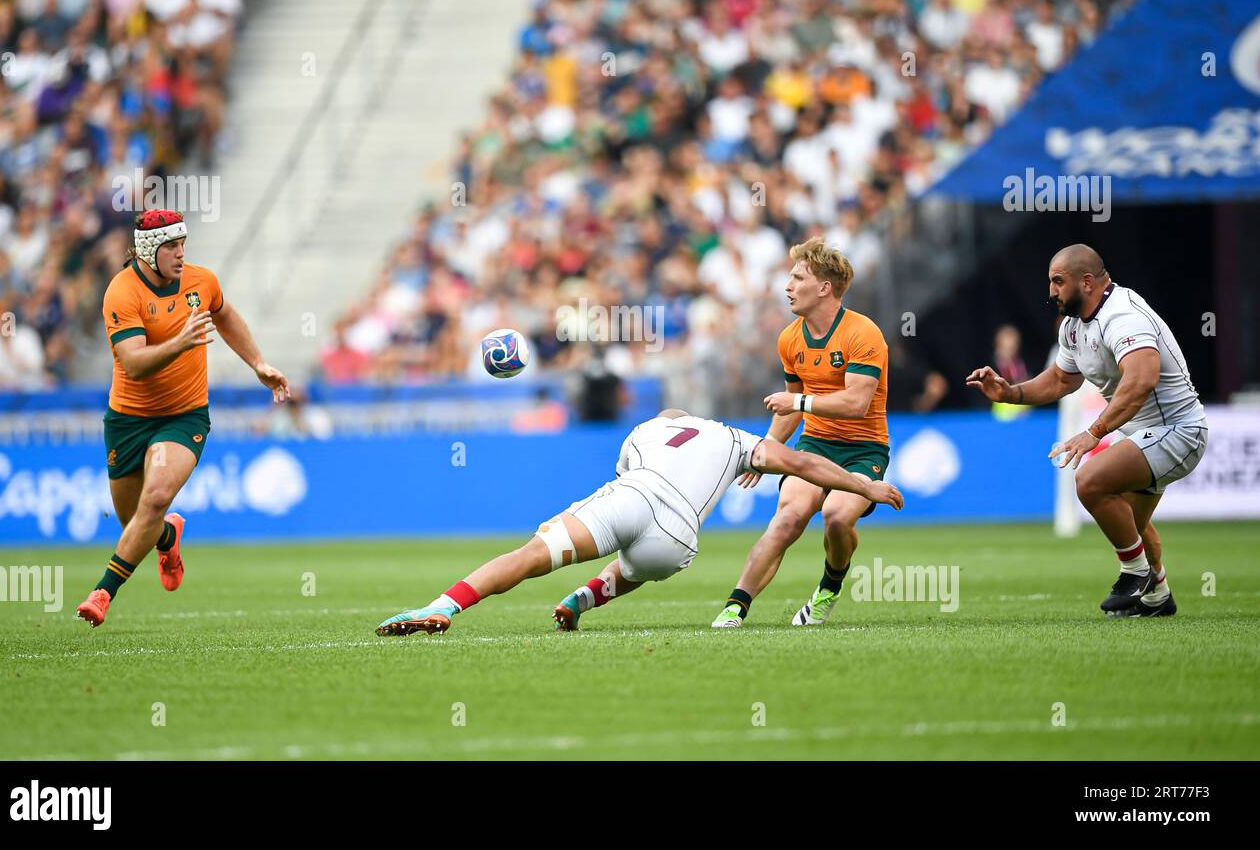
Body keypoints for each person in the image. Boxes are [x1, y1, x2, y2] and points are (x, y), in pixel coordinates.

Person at [375, 409, 902, 636]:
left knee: (535, 554)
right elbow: (807, 464)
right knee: (634, 565)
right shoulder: (739, 440)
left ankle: (443, 606)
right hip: (677, 542)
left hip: (636, 495)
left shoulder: (643, 433)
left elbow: (626, 479)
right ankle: (582, 600)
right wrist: (865, 485)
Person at [75, 209, 290, 627]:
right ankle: (168, 538)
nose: (180, 253)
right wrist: (180, 341)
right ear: (147, 251)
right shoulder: (121, 293)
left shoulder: (201, 281)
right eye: (171, 246)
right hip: (128, 420)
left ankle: (102, 592)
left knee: (154, 500)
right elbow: (134, 363)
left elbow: (225, 315)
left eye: (182, 244)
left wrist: (258, 363)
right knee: (136, 520)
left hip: (184, 417)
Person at [966, 244, 1206, 617]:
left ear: (1088, 281)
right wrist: (1010, 392)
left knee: (1090, 479)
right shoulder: (1075, 326)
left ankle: (1135, 573)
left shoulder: (1124, 314)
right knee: (1133, 522)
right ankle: (1158, 596)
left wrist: (1094, 431)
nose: (1051, 291)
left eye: (1058, 282)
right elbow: (1061, 379)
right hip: (1146, 432)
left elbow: (1142, 380)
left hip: (1179, 430)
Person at [711, 238, 891, 628]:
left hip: (865, 449)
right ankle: (735, 606)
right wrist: (769, 448)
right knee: (789, 517)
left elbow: (856, 403)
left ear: (824, 287)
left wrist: (801, 403)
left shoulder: (864, 333)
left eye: (797, 277)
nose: (787, 286)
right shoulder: (790, 338)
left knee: (837, 518)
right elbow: (791, 407)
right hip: (815, 445)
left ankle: (830, 586)